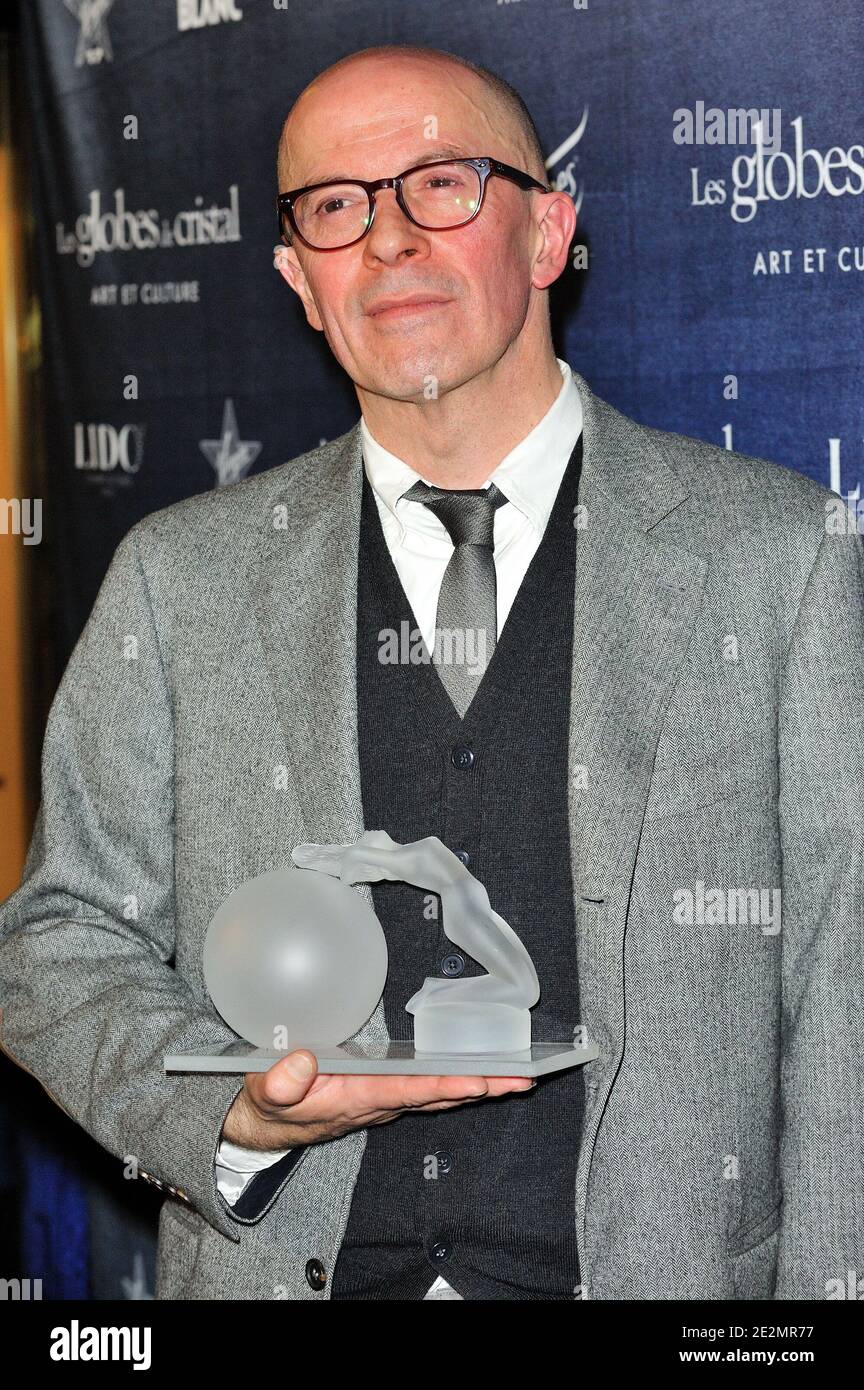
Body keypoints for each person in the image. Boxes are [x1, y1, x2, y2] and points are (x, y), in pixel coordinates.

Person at [1, 42, 862, 1302]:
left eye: (440, 184)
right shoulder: (179, 579)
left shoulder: (776, 556)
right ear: (300, 278)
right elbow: (57, 939)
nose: (388, 239)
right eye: (337, 207)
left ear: (547, 232)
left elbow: (847, 981)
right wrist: (236, 1114)